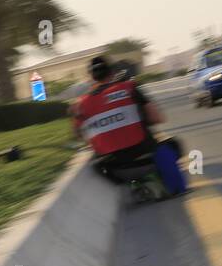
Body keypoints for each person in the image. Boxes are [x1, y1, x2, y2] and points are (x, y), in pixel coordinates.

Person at [72, 55, 187, 197]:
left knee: (99, 163)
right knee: (173, 145)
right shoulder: (129, 87)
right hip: (148, 160)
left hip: (115, 169)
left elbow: (78, 135)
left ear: (91, 78)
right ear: (112, 72)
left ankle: (135, 187)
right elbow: (158, 118)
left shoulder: (80, 104)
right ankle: (165, 183)